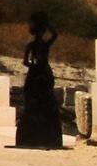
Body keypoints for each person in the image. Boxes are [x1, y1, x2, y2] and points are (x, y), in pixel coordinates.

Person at [14, 12, 67, 150]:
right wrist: (34, 66)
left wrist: (47, 24)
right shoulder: (31, 46)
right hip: (37, 72)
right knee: (33, 101)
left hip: (43, 72)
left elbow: (55, 35)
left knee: (46, 101)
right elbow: (25, 61)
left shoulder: (45, 44)